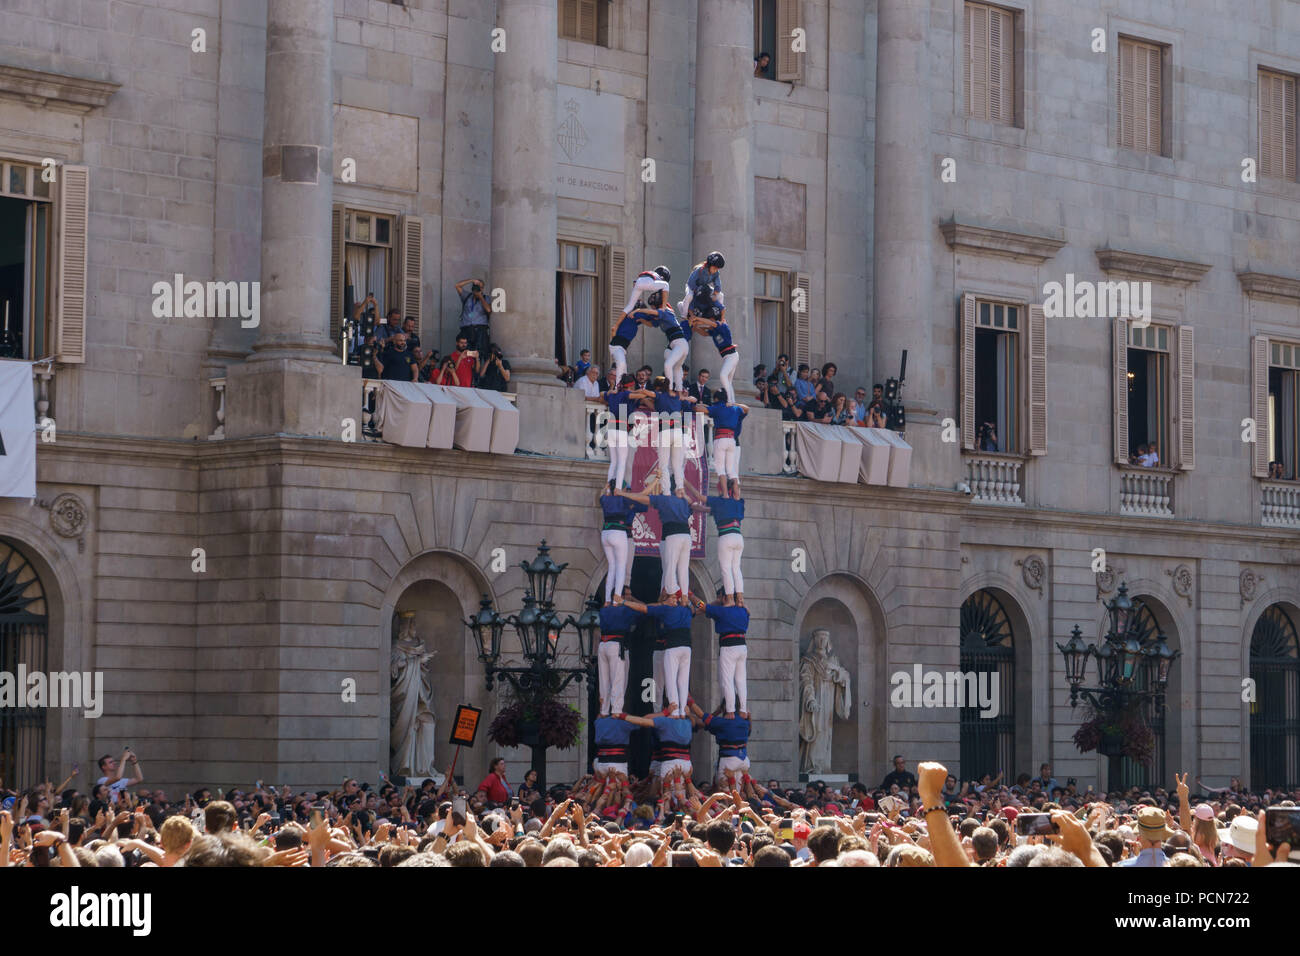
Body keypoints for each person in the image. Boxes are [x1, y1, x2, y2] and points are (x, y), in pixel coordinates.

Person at [616, 592, 699, 716]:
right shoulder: (663, 608)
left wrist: (690, 596)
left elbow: (702, 607)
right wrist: (662, 602)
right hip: (660, 649)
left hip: (672, 648)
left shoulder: (684, 609)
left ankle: (679, 711)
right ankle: (659, 712)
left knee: (678, 682)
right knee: (657, 687)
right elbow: (645, 607)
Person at [617, 485, 692, 599]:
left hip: (672, 536)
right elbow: (693, 504)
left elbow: (643, 498)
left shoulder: (664, 499)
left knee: (670, 568)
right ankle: (682, 597)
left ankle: (671, 594)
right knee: (679, 569)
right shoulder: (683, 500)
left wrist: (622, 493)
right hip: (685, 536)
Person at [692, 586, 749, 717]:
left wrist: (690, 594)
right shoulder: (743, 611)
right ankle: (743, 710)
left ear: (725, 597)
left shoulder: (722, 611)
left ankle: (730, 711)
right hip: (742, 646)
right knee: (741, 680)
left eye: (720, 598)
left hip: (728, 647)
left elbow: (701, 605)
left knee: (727, 680)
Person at [596, 375, 653, 494]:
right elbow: (643, 395)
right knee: (622, 462)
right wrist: (637, 391)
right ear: (631, 385)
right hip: (622, 430)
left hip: (611, 429)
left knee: (614, 462)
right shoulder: (626, 394)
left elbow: (602, 394)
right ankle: (617, 488)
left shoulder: (613, 394)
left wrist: (612, 390)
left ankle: (608, 486)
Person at [697, 479, 745, 606]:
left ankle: (730, 599)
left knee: (726, 569)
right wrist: (733, 477)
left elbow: (699, 498)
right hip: (738, 538)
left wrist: (685, 484)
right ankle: (740, 599)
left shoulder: (719, 502)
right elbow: (706, 509)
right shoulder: (738, 502)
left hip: (726, 537)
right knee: (736, 568)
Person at [597, 483, 647, 604]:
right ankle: (617, 599)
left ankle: (608, 599)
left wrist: (606, 487)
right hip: (621, 534)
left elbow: (600, 496)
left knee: (613, 566)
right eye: (627, 489)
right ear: (622, 489)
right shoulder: (625, 499)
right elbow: (643, 499)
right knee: (621, 567)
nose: (628, 491)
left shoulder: (606, 499)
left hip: (607, 533)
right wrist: (654, 483)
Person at [688, 699, 751, 790]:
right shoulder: (745, 722)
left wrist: (688, 699)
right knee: (738, 794)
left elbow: (701, 715)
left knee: (724, 792)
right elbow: (707, 723)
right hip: (744, 760)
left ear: (725, 707)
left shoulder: (722, 722)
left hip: (729, 760)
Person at [597, 598, 643, 716]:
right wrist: (630, 600)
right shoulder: (624, 609)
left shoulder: (604, 609)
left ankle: (604, 710)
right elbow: (643, 609)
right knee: (617, 679)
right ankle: (616, 711)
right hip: (615, 645)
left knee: (604, 681)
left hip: (603, 644)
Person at [690, 311, 740, 404]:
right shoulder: (714, 330)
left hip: (732, 355)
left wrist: (698, 319)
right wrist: (695, 327)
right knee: (728, 381)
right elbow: (704, 333)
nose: (709, 321)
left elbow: (710, 323)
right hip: (728, 357)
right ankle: (732, 400)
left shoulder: (721, 325)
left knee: (723, 375)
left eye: (710, 319)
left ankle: (729, 400)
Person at [707, 400, 747, 495]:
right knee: (731, 471)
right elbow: (746, 409)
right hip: (732, 441)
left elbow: (746, 409)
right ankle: (733, 496)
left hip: (728, 440)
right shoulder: (735, 410)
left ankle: (727, 495)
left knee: (725, 470)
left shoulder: (730, 409)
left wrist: (734, 404)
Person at [454, 278, 492, 355]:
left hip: (480, 330)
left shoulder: (486, 298)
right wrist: (472, 280)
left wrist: (480, 297)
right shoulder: (467, 296)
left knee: (479, 353)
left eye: (480, 287)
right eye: (477, 286)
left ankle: (478, 366)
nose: (478, 288)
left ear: (483, 289)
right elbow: (457, 286)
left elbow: (488, 310)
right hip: (467, 329)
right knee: (467, 352)